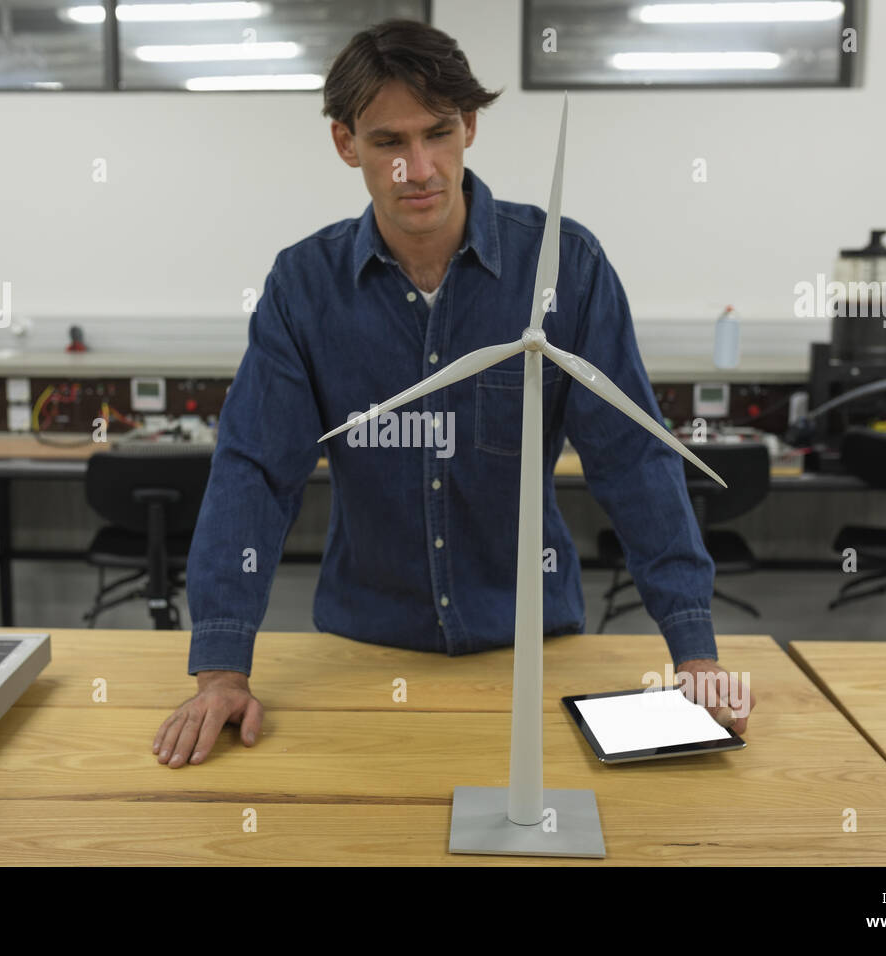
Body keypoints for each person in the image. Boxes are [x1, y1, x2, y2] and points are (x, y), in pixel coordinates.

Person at [153, 19, 757, 769]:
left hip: (532, 648)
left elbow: (633, 460)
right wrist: (221, 669)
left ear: (470, 125)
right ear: (345, 144)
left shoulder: (564, 267)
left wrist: (694, 653)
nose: (419, 168)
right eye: (388, 144)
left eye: (438, 133)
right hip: (364, 649)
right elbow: (253, 473)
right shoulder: (302, 288)